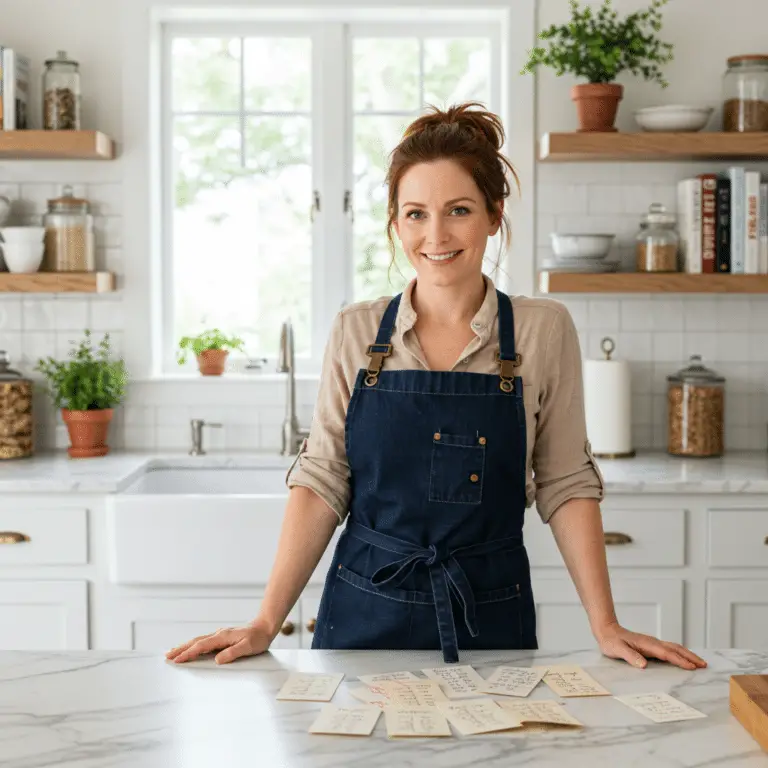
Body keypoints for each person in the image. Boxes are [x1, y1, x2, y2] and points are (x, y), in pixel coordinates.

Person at [167, 102, 706, 671]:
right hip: (362, 613)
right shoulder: (357, 331)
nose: (436, 234)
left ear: (494, 215)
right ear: (396, 223)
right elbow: (323, 476)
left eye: (459, 210)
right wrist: (264, 623)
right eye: (416, 214)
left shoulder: (541, 330)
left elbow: (566, 479)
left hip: (489, 614)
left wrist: (606, 624)